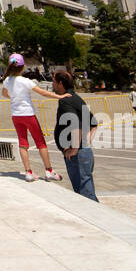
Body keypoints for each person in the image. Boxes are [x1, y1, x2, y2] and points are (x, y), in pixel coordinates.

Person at [1, 53, 67, 183]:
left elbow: (4, 94)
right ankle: (48, 171)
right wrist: (59, 96)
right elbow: (43, 92)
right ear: (23, 66)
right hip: (28, 114)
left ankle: (28, 172)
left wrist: (14, 99)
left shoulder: (7, 80)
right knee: (40, 142)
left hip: (16, 115)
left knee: (23, 142)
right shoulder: (26, 81)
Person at [51, 70, 98, 201]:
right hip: (84, 151)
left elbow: (75, 125)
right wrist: (86, 142)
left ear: (60, 84)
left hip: (77, 154)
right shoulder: (77, 99)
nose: (52, 85)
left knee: (85, 194)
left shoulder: (65, 101)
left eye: (54, 82)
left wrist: (75, 148)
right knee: (86, 190)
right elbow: (93, 123)